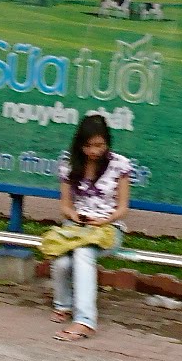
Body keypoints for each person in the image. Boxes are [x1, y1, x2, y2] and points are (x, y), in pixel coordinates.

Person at [51, 113, 132, 343]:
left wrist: (104, 220)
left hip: (108, 228)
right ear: (80, 145)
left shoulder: (120, 165)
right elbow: (65, 206)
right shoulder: (69, 165)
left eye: (99, 145)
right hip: (78, 226)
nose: (94, 151)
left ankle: (85, 321)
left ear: (107, 143)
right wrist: (75, 216)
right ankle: (63, 305)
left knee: (83, 252)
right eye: (88, 146)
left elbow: (123, 208)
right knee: (62, 261)